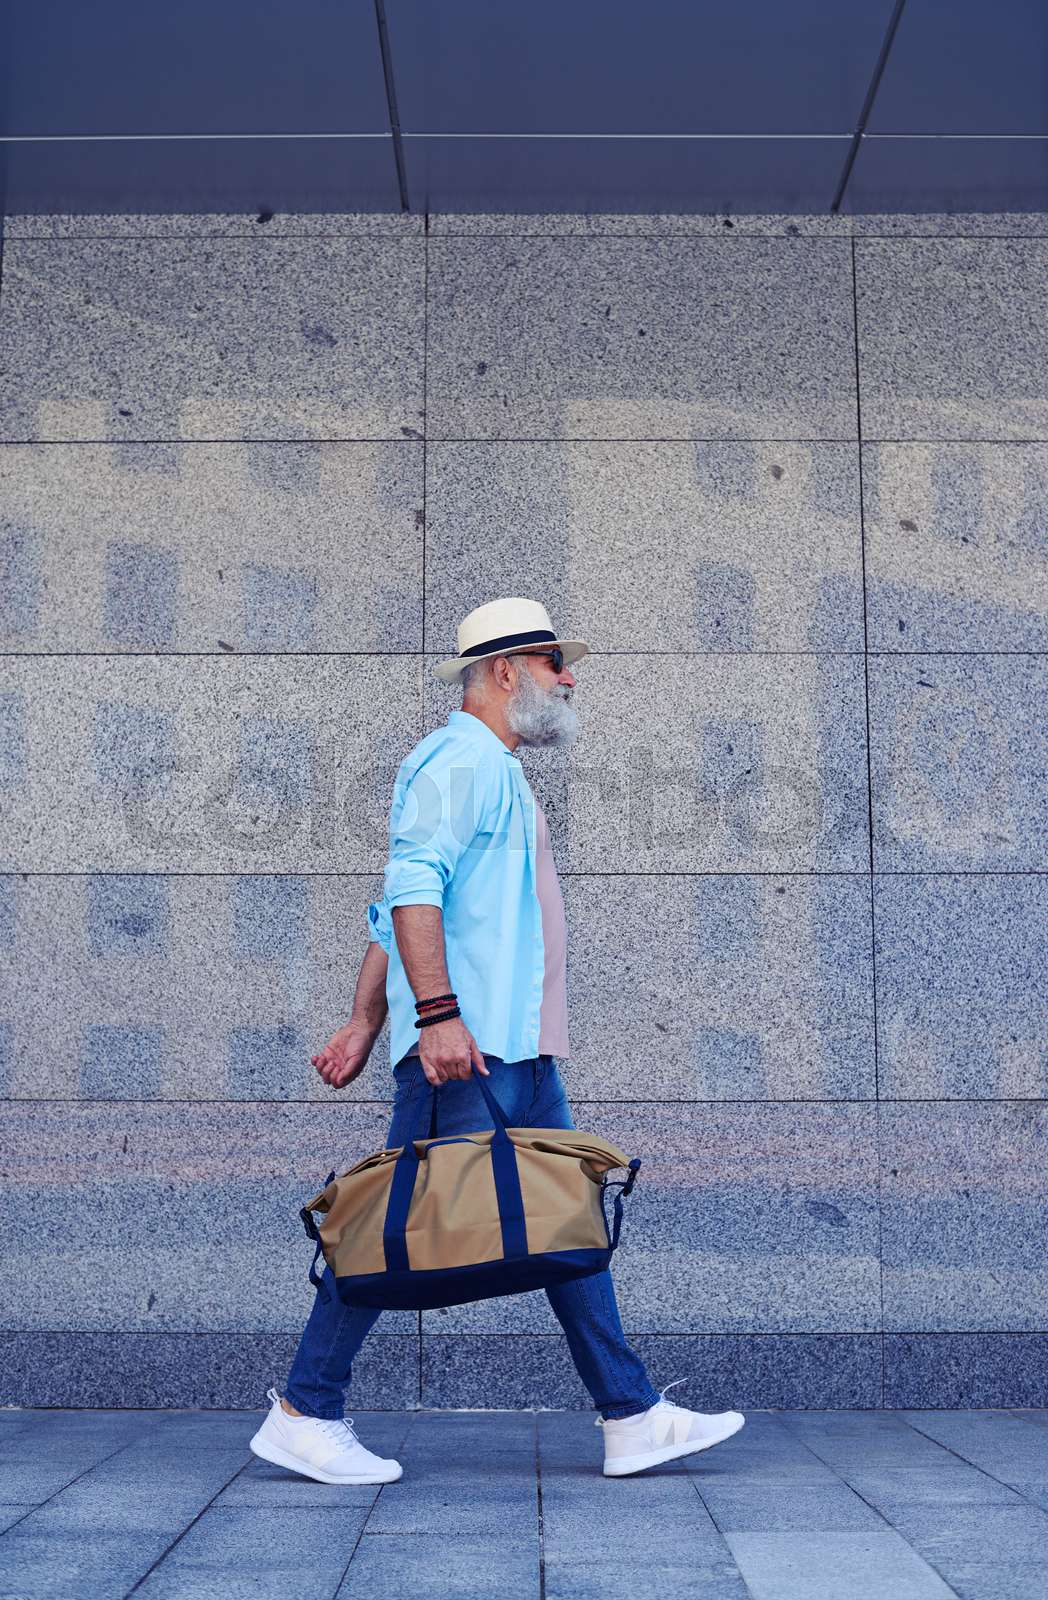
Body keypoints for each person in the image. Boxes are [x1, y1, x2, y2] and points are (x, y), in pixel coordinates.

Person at [249, 597, 744, 1483]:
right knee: (384, 1229)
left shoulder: (497, 770)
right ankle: (304, 1408)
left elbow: (397, 902)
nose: (570, 677)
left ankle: (630, 1416)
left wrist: (368, 1017)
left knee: (566, 1217)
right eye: (557, 661)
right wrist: (431, 1017)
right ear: (506, 669)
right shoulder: (455, 760)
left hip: (516, 1050)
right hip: (467, 1052)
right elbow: (410, 890)